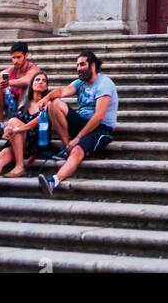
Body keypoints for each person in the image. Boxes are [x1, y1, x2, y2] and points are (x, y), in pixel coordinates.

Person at [37, 51, 117, 196]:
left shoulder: (104, 84)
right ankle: (66, 146)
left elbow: (98, 117)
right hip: (83, 123)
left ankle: (54, 180)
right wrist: (46, 98)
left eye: (82, 64)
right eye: (77, 65)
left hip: (101, 129)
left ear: (92, 66)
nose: (78, 68)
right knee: (54, 103)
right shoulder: (80, 82)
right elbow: (61, 92)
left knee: (77, 151)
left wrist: (78, 138)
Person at [0, 71, 51, 197]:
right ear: (32, 84)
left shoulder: (47, 103)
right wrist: (8, 129)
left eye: (43, 80)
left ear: (46, 86)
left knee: (13, 122)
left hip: (34, 142)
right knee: (1, 155)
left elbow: (37, 122)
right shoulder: (24, 103)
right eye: (37, 80)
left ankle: (19, 166)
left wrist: (17, 129)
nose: (40, 82)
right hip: (19, 140)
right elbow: (16, 119)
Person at [0, 42, 40, 140]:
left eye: (18, 57)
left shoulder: (33, 68)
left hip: (29, 108)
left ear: (26, 55)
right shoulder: (10, 70)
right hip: (13, 106)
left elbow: (27, 80)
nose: (15, 61)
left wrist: (9, 83)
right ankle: (0, 126)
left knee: (24, 86)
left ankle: (20, 118)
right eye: (13, 58)